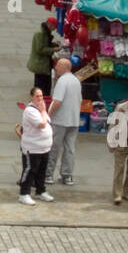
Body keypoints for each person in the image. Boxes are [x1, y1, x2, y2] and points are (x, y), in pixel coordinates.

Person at [46, 57, 81, 186]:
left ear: (64, 67)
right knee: (69, 148)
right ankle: (67, 175)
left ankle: (48, 174)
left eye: (58, 65)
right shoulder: (76, 80)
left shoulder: (62, 81)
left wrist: (48, 115)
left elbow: (57, 101)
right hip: (74, 120)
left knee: (54, 147)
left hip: (60, 120)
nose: (56, 68)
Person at [17, 87, 54, 205]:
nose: (40, 99)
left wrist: (43, 110)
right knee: (30, 170)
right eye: (37, 96)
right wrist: (43, 111)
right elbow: (42, 124)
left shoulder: (40, 109)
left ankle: (40, 190)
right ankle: (24, 193)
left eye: (41, 96)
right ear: (32, 97)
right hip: (32, 148)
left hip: (44, 147)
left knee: (42, 170)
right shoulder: (30, 111)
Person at [27, 19, 58, 96]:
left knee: (44, 84)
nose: (54, 29)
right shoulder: (40, 33)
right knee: (41, 84)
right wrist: (53, 49)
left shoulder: (45, 32)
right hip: (40, 64)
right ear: (50, 24)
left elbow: (45, 44)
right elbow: (40, 49)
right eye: (54, 27)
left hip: (43, 64)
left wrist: (53, 44)